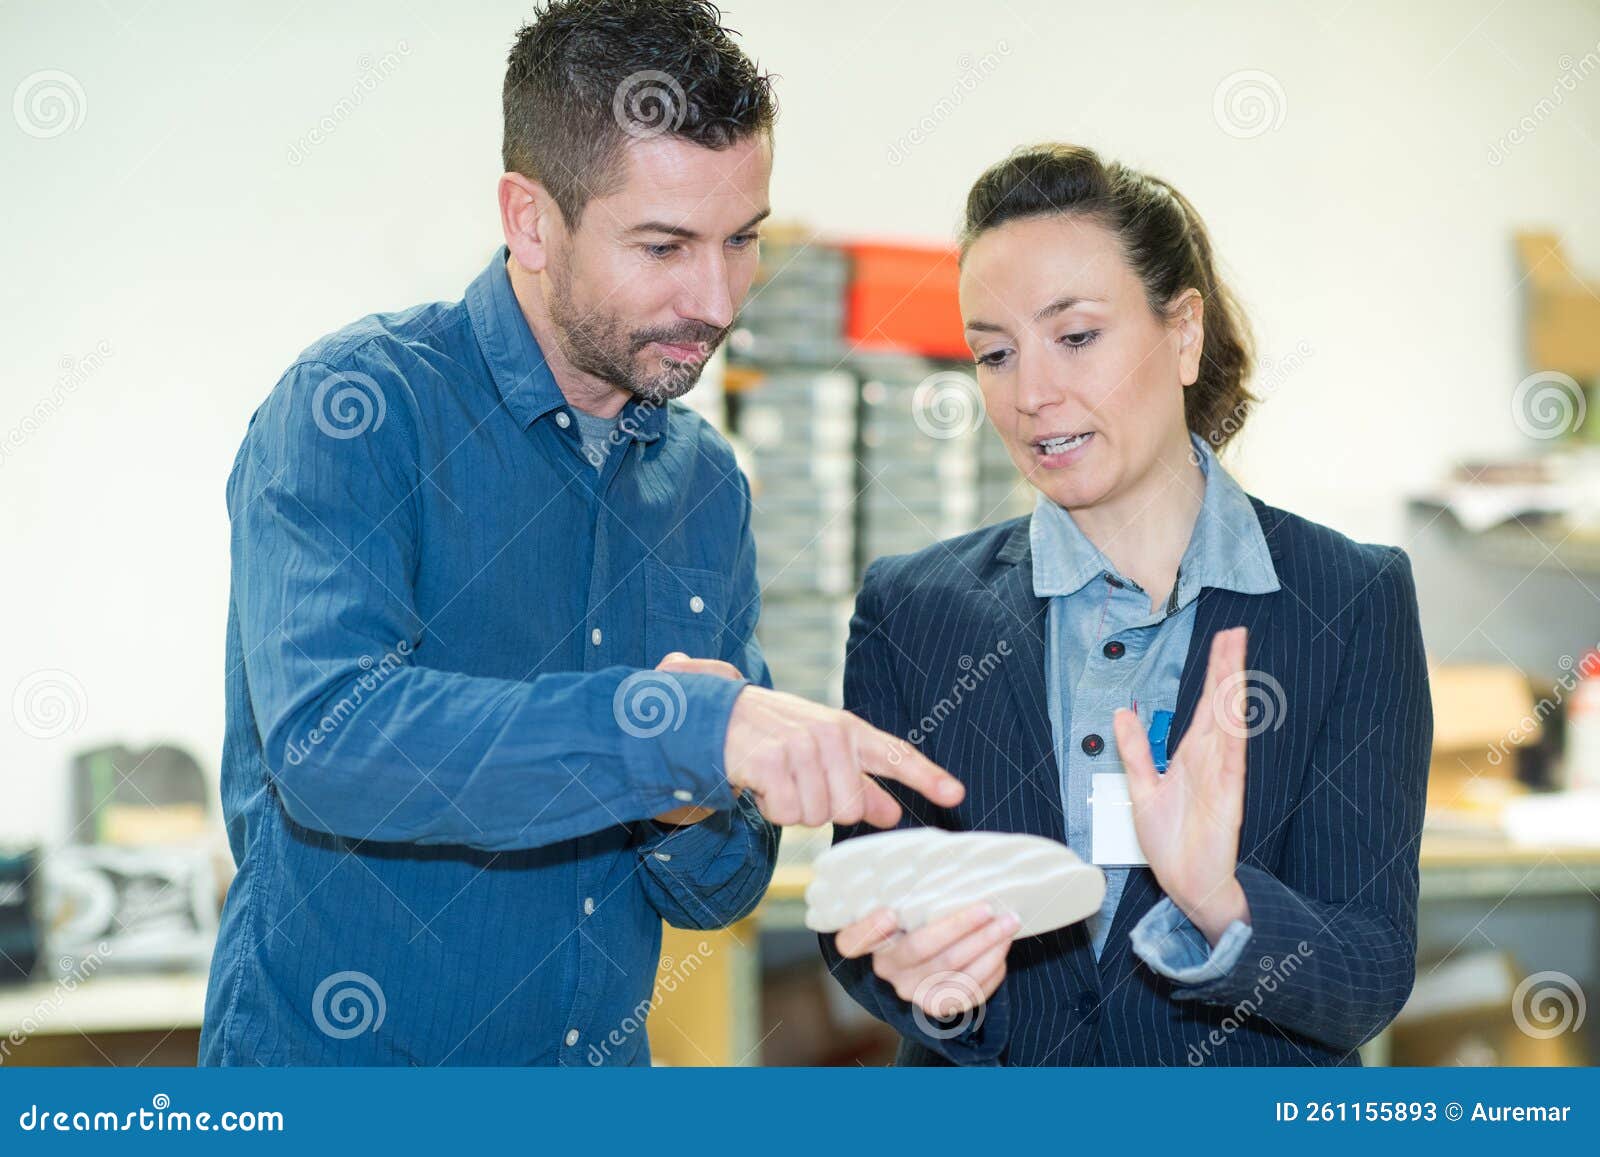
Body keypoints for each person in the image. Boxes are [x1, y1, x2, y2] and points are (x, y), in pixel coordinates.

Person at [200, 0, 962, 1067]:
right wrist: (675, 729)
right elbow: (335, 744)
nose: (715, 297)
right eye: (663, 245)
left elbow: (718, 890)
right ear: (529, 220)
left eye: (741, 239)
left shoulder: (703, 481)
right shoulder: (357, 409)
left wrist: (698, 801)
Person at [821, 143, 1432, 1066]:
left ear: (1182, 332)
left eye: (1075, 337)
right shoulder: (912, 608)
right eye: (993, 352)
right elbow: (861, 908)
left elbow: (1370, 969)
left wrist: (1219, 901)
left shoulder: (1346, 600)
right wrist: (931, 984)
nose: (1030, 393)